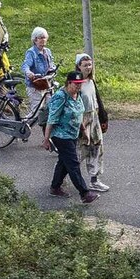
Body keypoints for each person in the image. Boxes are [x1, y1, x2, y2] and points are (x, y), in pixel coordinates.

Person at [45, 67, 97, 202]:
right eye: (76, 84)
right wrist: (46, 139)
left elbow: (78, 115)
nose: (79, 86)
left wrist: (83, 131)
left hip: (72, 134)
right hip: (61, 136)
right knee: (73, 164)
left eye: (80, 84)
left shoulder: (77, 95)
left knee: (64, 162)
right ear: (69, 83)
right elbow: (51, 119)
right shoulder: (60, 97)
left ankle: (55, 187)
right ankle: (84, 193)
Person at [73, 53, 108, 191]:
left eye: (90, 64)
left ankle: (94, 179)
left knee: (97, 147)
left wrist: (103, 118)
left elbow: (97, 99)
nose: (88, 67)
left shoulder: (91, 81)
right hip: (82, 119)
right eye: (85, 65)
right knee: (80, 150)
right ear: (78, 67)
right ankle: (63, 176)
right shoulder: (77, 84)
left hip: (94, 117)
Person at [22, 27, 56, 102]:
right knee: (37, 107)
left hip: (47, 83)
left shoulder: (47, 51)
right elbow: (26, 65)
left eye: (44, 38)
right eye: (40, 38)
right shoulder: (31, 52)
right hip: (35, 86)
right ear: (35, 40)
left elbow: (51, 64)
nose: (43, 40)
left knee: (51, 105)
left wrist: (53, 69)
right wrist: (28, 72)